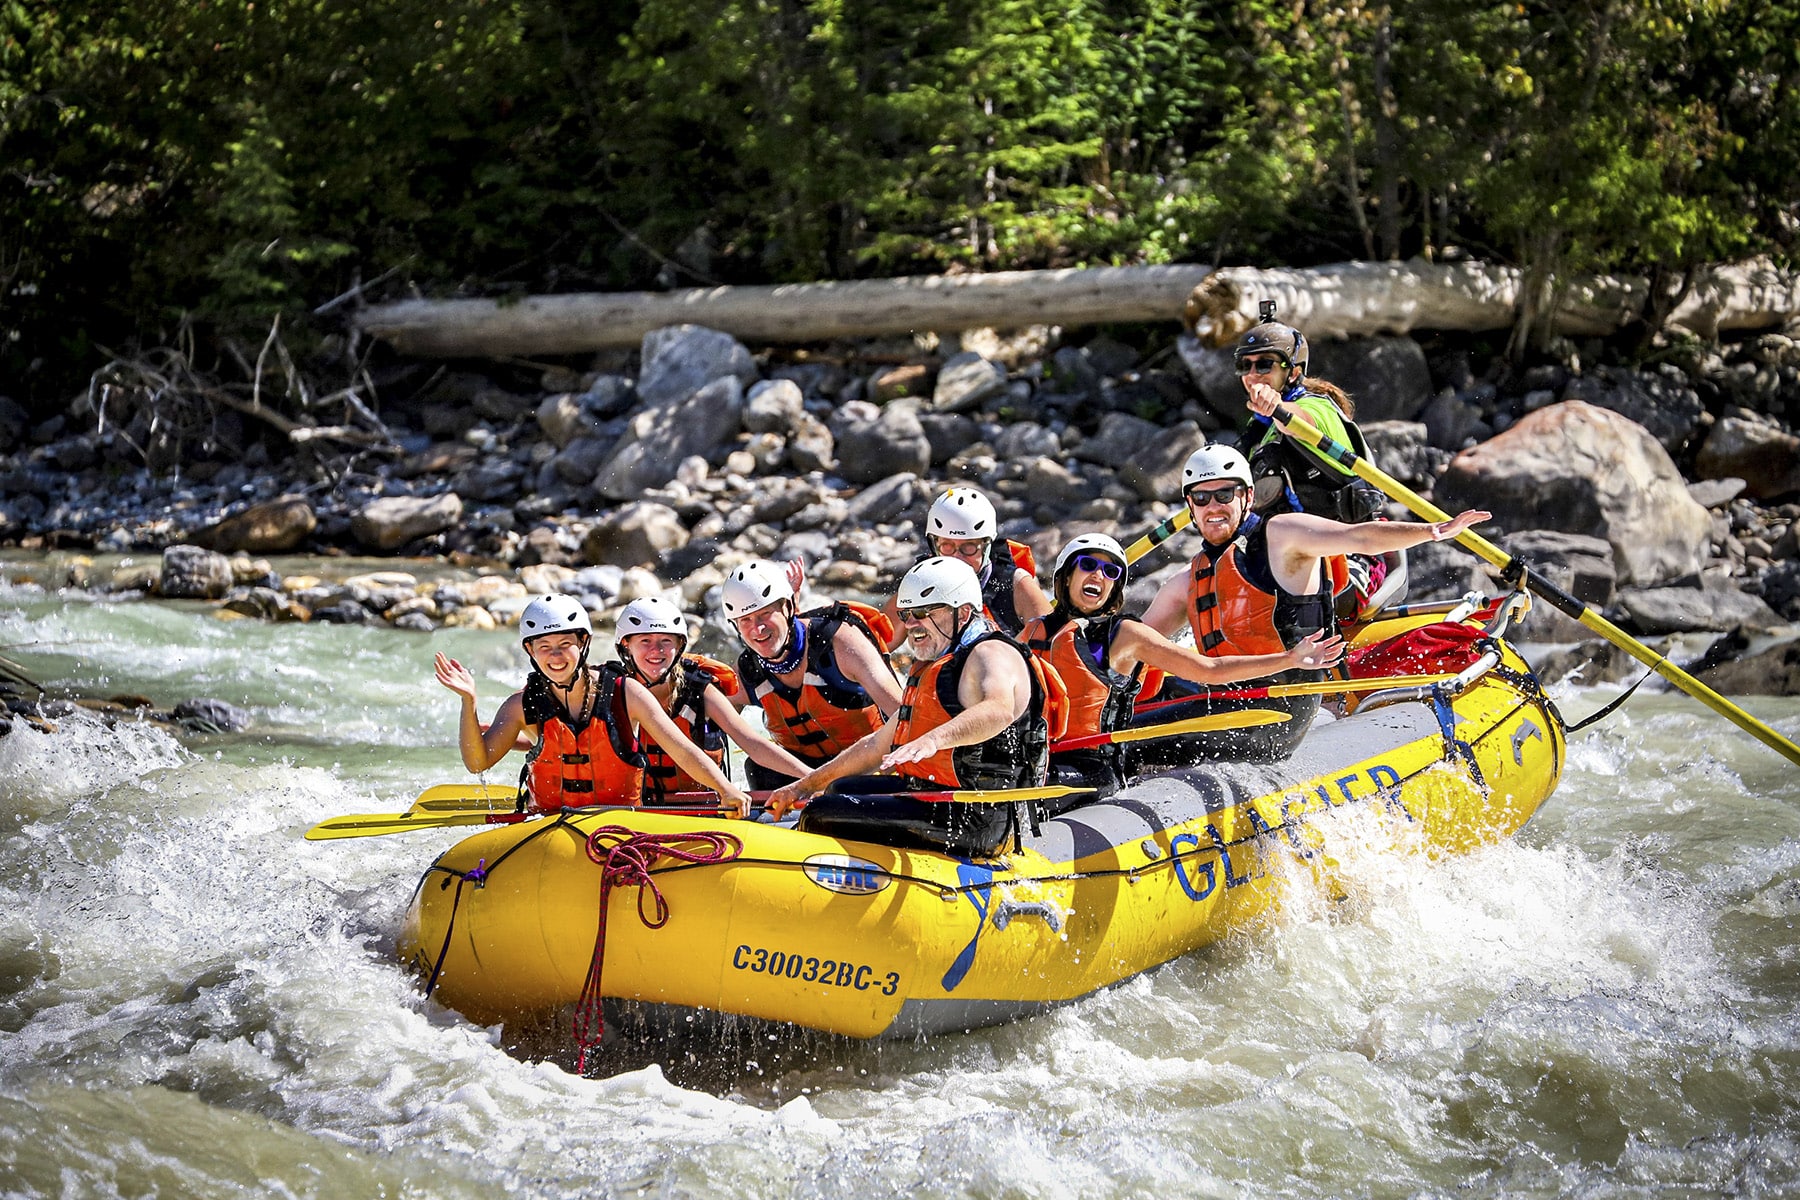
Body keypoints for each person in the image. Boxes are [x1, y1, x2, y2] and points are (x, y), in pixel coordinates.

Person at [1137, 445, 1490, 760]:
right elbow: (1134, 642)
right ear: (1190, 506)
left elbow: (1359, 538)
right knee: (1141, 706)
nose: (1213, 507)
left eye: (1224, 494)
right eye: (1201, 498)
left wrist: (1432, 531)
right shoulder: (1187, 580)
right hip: (1226, 703)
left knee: (1133, 741)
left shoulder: (1282, 537)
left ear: (1247, 496)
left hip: (1280, 710)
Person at [769, 556, 1064, 857]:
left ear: (963, 612)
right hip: (936, 800)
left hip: (978, 818)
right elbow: (876, 746)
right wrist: (802, 787)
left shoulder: (992, 653)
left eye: (922, 613)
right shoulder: (938, 664)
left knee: (820, 813)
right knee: (839, 789)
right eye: (906, 614)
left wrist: (934, 739)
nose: (911, 624)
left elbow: (998, 709)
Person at [1022, 533, 1344, 798]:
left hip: (1093, 768)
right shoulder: (1034, 632)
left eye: (1110, 572)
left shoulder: (1126, 634)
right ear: (1066, 575)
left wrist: (1289, 659)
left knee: (1025, 782)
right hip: (1040, 757)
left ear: (1115, 589)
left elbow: (1209, 670)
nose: (1098, 576)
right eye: (1088, 565)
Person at [432, 594, 753, 817]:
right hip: (550, 827)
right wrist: (469, 702)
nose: (556, 656)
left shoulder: (626, 694)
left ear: (583, 643)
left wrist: (725, 788)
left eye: (565, 644)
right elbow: (478, 763)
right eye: (544, 647)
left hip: (623, 825)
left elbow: (681, 750)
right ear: (530, 650)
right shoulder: (520, 706)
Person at [1233, 312, 1396, 615]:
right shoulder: (1259, 431)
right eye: (1246, 365)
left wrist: (1278, 407)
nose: (1253, 373)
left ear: (1293, 372)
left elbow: (1299, 422)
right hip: (1284, 559)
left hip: (1347, 557)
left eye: (1265, 364)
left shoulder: (1318, 409)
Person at [718, 559, 904, 790]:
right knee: (759, 771)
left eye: (765, 614)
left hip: (870, 768)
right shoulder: (747, 672)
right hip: (805, 778)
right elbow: (709, 731)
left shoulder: (842, 644)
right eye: (745, 620)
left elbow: (906, 718)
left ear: (788, 608)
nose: (757, 629)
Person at [611, 595, 811, 803]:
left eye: (666, 641)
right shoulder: (611, 692)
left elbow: (754, 744)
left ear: (679, 646)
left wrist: (813, 779)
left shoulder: (699, 690)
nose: (657, 650)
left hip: (707, 806)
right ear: (626, 645)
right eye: (645, 641)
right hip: (635, 809)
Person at [879, 486, 1051, 645]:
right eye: (947, 546)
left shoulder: (1015, 585)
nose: (957, 557)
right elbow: (879, 644)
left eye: (969, 547)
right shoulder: (919, 582)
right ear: (934, 545)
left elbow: (1054, 648)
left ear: (986, 546)